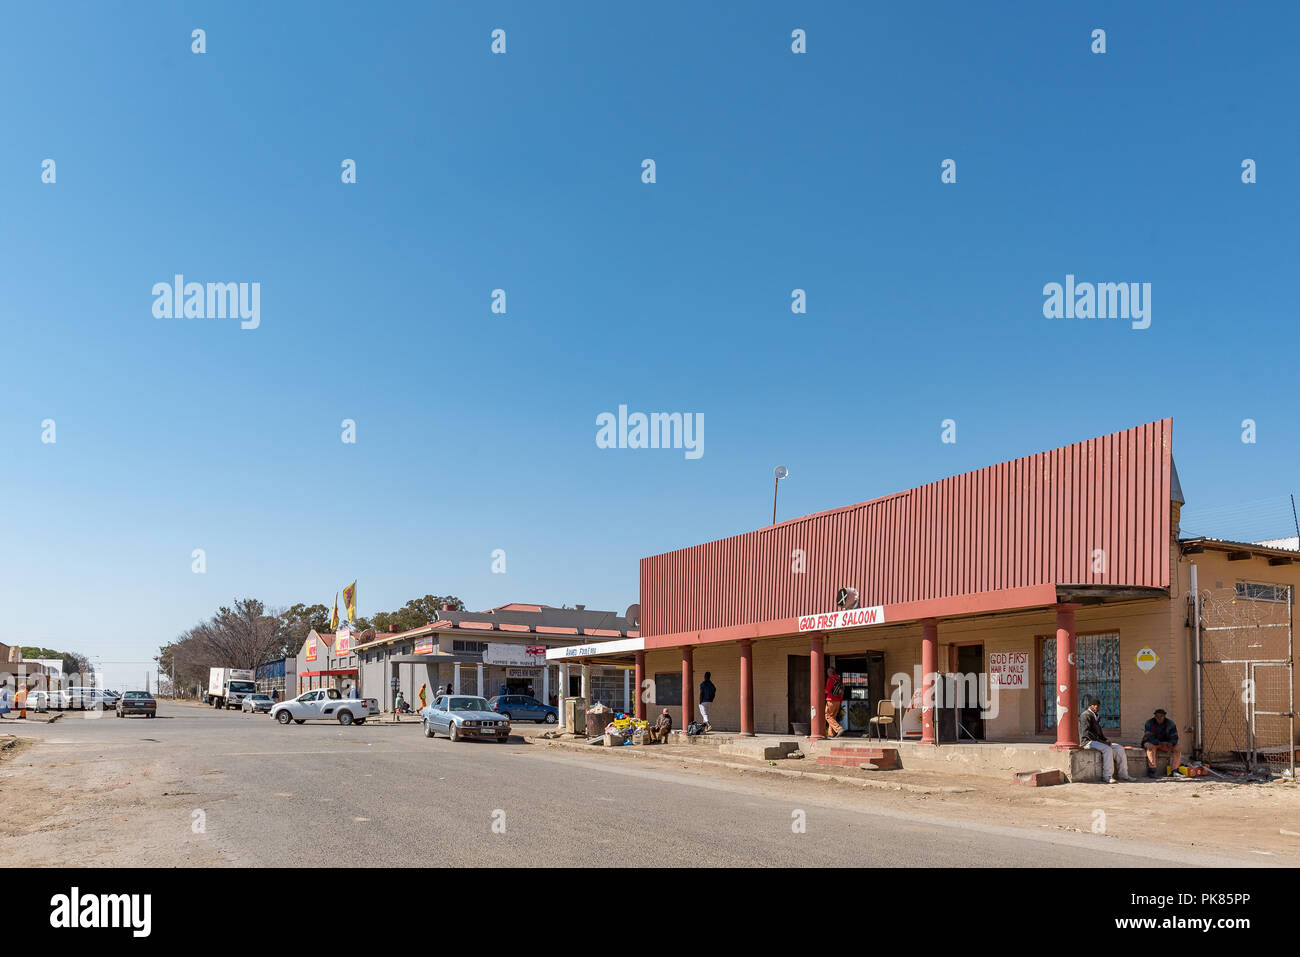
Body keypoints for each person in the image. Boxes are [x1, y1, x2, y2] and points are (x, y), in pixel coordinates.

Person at [1079, 697, 1133, 783]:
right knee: (1107, 749)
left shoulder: (1096, 716)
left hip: (1097, 741)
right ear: (1090, 706)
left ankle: (1123, 774)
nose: (1097, 707)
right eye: (1095, 705)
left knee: (1119, 748)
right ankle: (1107, 776)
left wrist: (1106, 740)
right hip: (1088, 742)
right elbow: (1087, 733)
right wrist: (1102, 742)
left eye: (1098, 705)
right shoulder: (1085, 715)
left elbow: (1099, 732)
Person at [1141, 708, 1182, 777]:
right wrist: (1159, 743)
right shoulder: (1149, 723)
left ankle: (1174, 770)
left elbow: (1174, 736)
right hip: (1153, 743)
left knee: (1178, 747)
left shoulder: (1170, 724)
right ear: (1155, 716)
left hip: (1166, 744)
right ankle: (1152, 770)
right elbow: (1148, 736)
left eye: (1161, 716)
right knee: (1150, 747)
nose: (1159, 718)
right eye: (1157, 716)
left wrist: (1171, 743)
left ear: (1164, 716)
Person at [824, 665, 844, 738]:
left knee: (827, 715)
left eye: (828, 672)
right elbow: (842, 692)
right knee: (833, 717)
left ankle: (839, 729)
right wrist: (840, 702)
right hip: (838, 701)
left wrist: (821, 691)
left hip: (831, 700)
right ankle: (831, 734)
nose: (827, 673)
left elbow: (827, 690)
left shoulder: (830, 679)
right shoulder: (838, 679)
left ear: (830, 672)